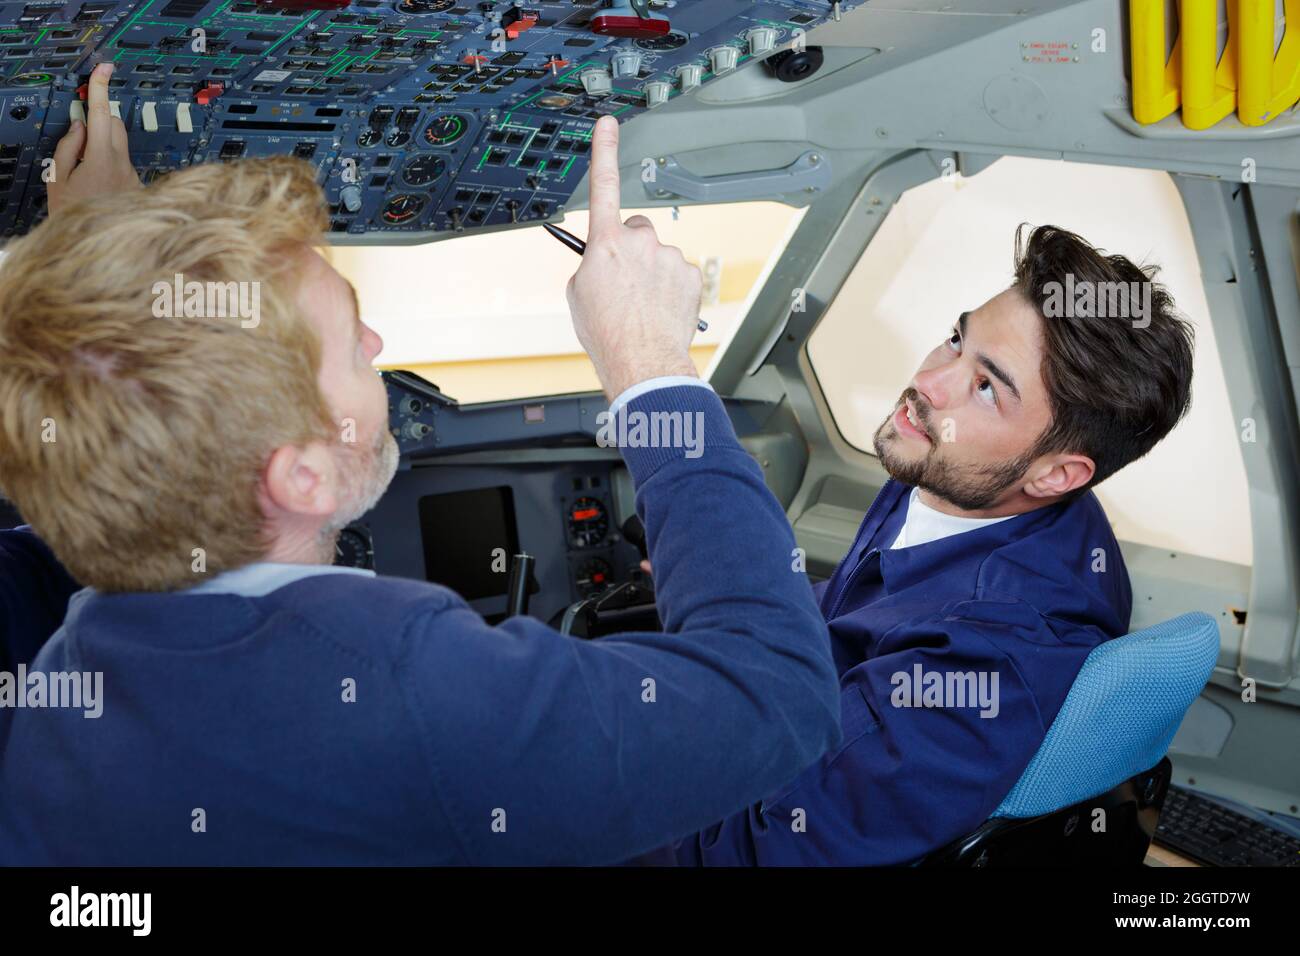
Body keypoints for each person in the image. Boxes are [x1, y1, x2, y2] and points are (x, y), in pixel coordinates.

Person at [0, 63, 840, 864]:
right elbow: (779, 695)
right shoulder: (396, 682)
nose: (376, 343)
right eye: (352, 344)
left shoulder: (64, 672)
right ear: (303, 477)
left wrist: (101, 264)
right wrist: (652, 369)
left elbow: (96, 434)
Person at [670, 222, 1196, 865]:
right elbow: (851, 610)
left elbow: (754, 855)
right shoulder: (958, 475)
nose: (930, 384)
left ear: (1058, 473)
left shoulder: (984, 661)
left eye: (986, 388)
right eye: (956, 340)